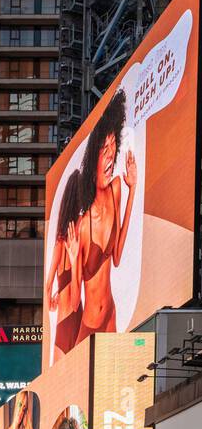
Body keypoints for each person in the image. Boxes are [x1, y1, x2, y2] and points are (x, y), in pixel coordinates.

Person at [73, 88, 137, 342]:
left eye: (113, 146)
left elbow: (118, 256)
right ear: (92, 160)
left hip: (111, 314)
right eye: (104, 148)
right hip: (88, 325)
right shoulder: (83, 224)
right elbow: (77, 288)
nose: (111, 155)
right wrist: (74, 254)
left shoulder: (117, 190)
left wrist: (134, 190)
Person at [45, 169, 83, 358]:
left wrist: (50, 302)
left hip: (64, 319)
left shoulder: (61, 240)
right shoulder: (80, 228)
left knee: (61, 378)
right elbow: (75, 300)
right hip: (73, 316)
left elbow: (47, 283)